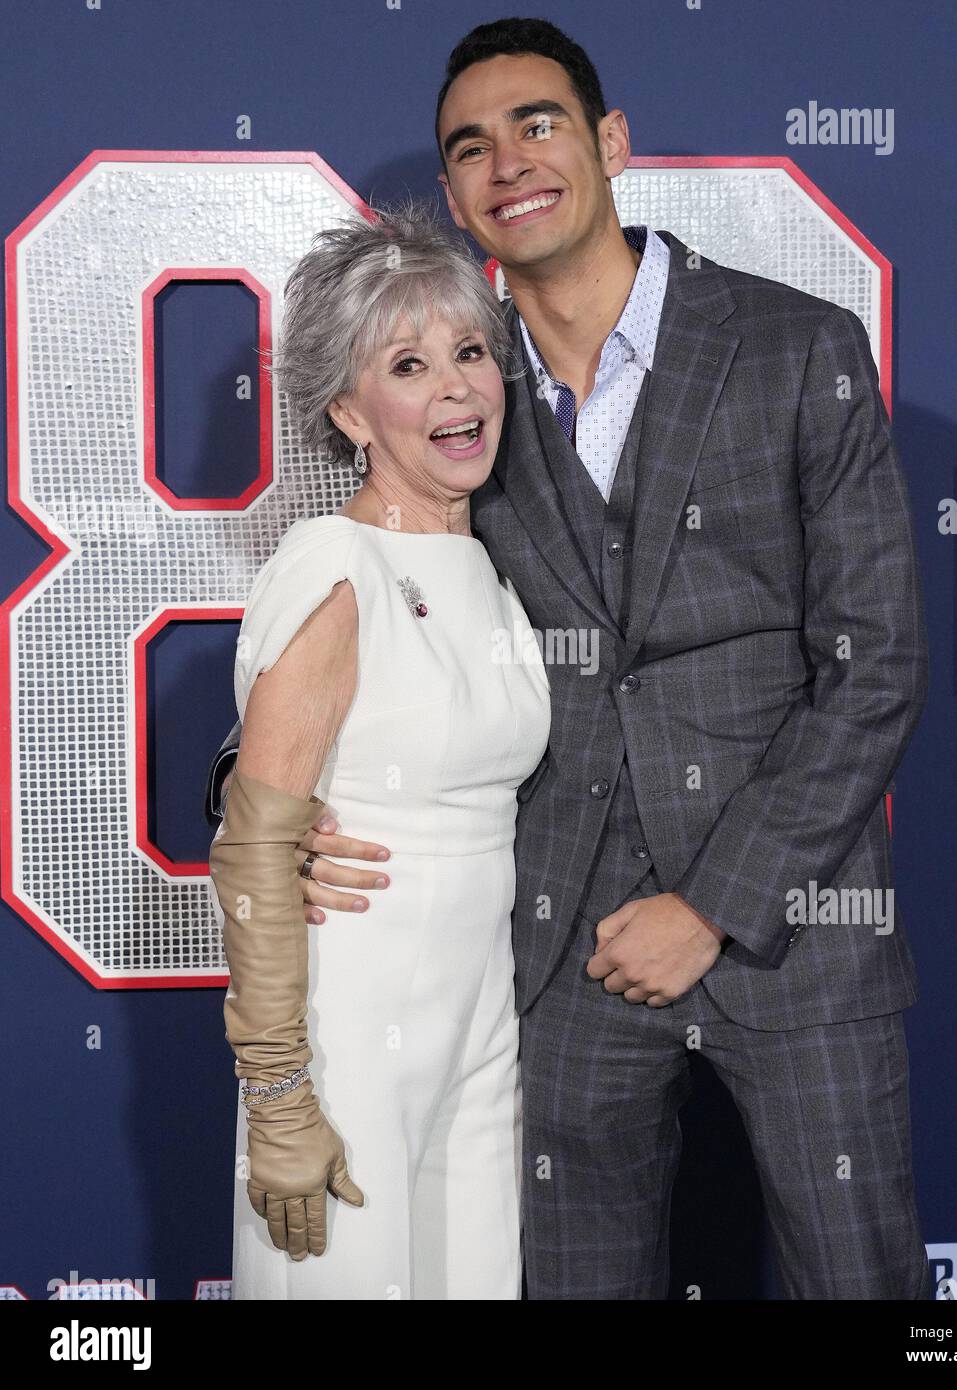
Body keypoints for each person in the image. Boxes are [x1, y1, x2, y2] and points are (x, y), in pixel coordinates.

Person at [208, 17, 931, 1300]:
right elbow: (367, 595)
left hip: (789, 937)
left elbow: (873, 664)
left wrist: (710, 905)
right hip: (558, 962)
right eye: (470, 146)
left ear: (607, 142)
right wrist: (258, 799)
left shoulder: (795, 348)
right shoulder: (461, 388)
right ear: (452, 192)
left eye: (537, 123)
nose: (509, 163)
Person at [207, 200, 550, 1300]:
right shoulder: (331, 564)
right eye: (409, 364)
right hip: (345, 1042)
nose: (456, 385)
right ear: (349, 412)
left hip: (481, 1043)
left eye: (469, 351)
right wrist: (280, 1098)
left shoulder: (497, 571)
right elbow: (257, 849)